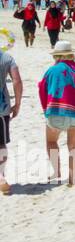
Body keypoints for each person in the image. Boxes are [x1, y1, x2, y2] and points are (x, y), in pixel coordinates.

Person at [38, 41, 75, 188]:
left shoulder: (52, 70)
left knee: (51, 141)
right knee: (74, 145)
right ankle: (72, 179)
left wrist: (46, 110)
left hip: (58, 112)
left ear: (57, 56)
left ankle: (57, 172)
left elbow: (43, 88)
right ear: (71, 54)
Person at [0, 46, 23, 195]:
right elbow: (17, 81)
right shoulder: (7, 58)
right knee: (1, 143)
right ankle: (1, 175)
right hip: (1, 109)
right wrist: (17, 103)